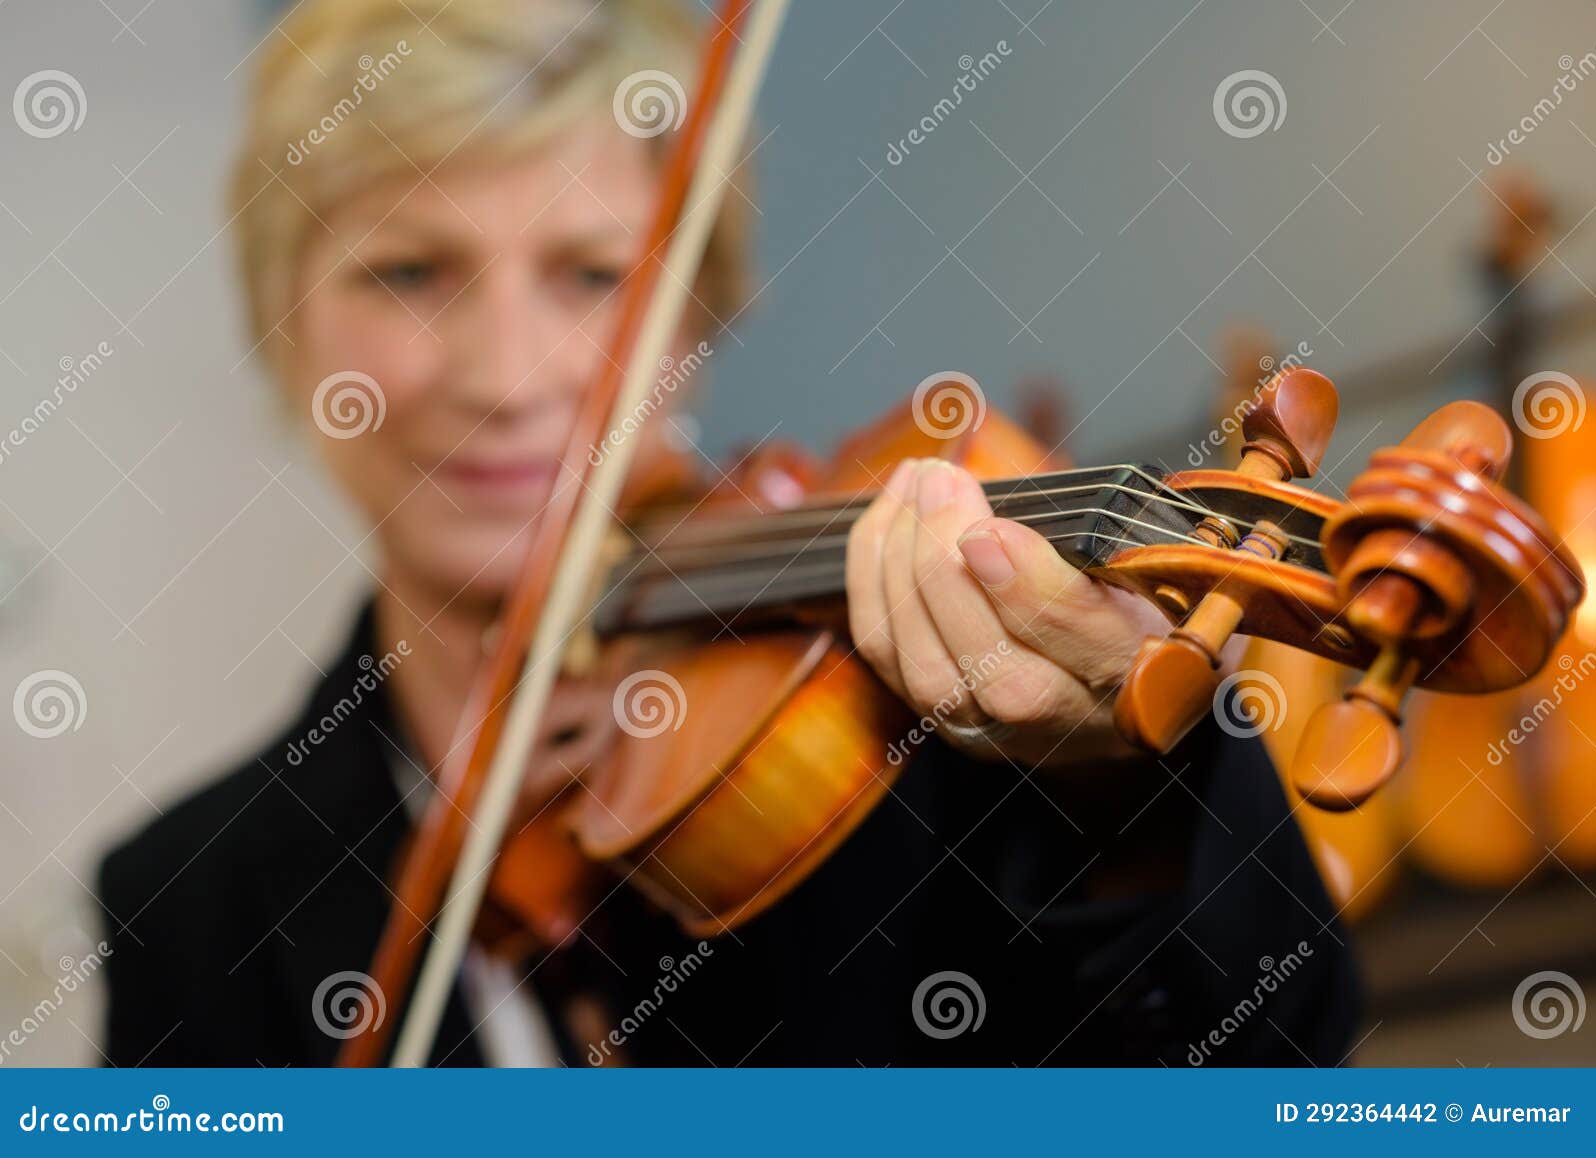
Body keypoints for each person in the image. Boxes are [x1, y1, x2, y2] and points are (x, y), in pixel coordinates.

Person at [97, 0, 1359, 1067]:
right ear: (282, 326)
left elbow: (1274, 1050)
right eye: (408, 273)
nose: (504, 372)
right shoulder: (186, 904)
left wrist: (1116, 786)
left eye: (596, 275)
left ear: (699, 317)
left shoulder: (913, 716)